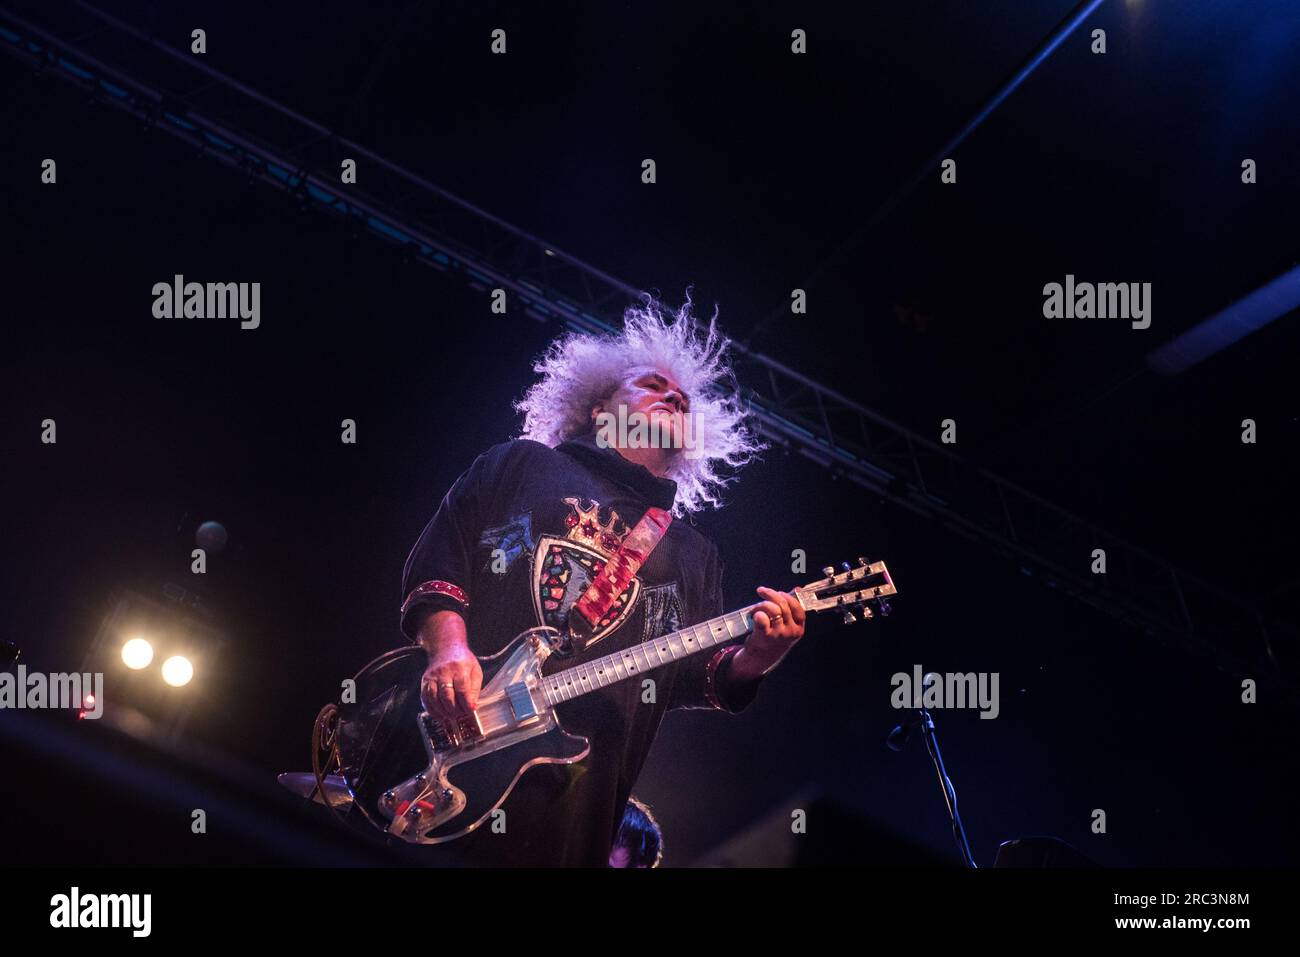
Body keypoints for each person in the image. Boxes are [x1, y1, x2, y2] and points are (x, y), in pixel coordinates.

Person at [399, 290, 806, 866]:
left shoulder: (693, 553)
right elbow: (443, 559)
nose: (672, 399)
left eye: (684, 401)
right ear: (599, 408)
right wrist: (449, 649)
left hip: (574, 797)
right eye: (652, 386)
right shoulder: (523, 463)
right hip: (450, 740)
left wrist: (759, 659)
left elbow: (689, 674)